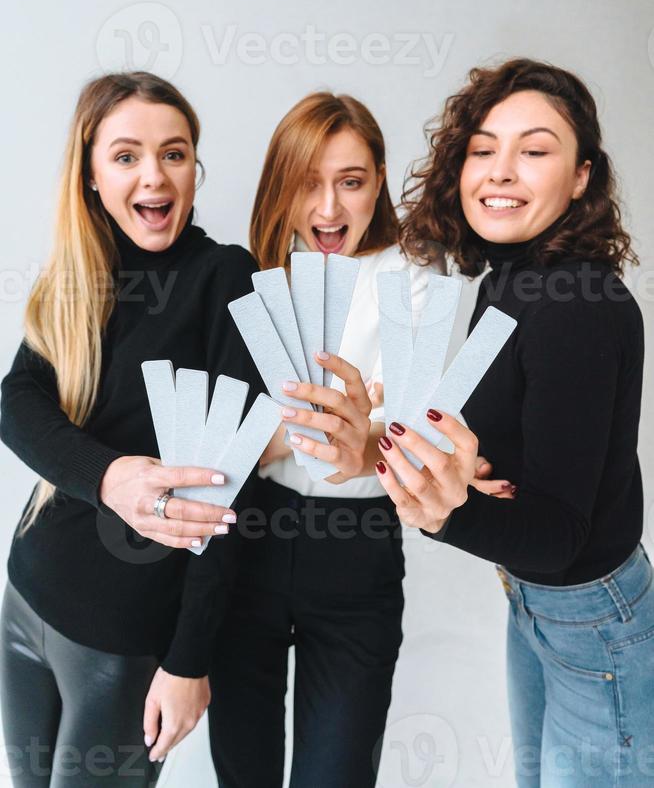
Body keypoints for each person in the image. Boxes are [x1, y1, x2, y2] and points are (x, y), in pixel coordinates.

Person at [375, 59, 652, 787]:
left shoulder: (575, 303)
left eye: (534, 150)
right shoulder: (513, 277)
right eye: (482, 148)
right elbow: (526, 464)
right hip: (540, 603)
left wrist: (447, 512)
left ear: (583, 176)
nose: (501, 171)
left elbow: (559, 535)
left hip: (592, 621)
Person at [0, 71, 269, 787]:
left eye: (174, 153)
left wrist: (189, 661)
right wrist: (109, 477)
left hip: (119, 643)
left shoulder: (226, 280)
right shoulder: (83, 270)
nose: (155, 175)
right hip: (24, 600)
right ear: (90, 174)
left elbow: (229, 494)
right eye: (126, 156)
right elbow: (16, 400)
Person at [208, 92, 446, 788]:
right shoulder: (245, 275)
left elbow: (418, 444)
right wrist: (342, 427)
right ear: (281, 183)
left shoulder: (415, 285)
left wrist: (349, 438)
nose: (330, 209)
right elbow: (211, 441)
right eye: (309, 181)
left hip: (357, 547)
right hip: (246, 541)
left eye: (352, 181)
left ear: (379, 181)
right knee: (240, 771)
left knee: (336, 774)